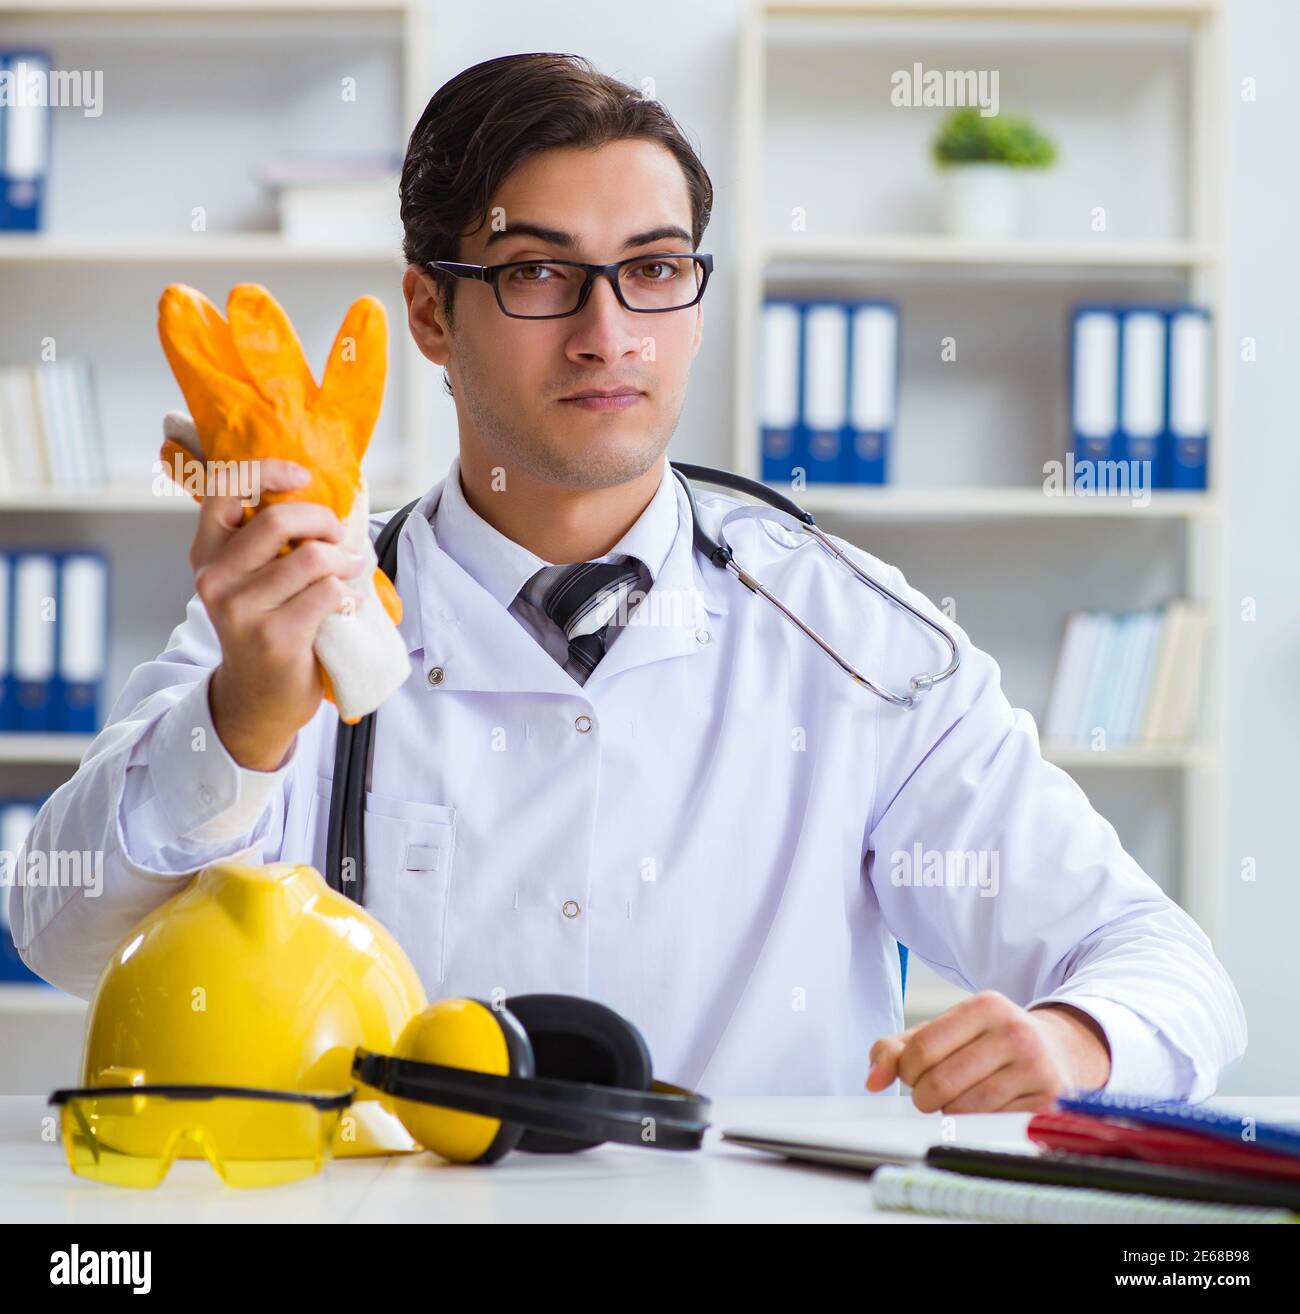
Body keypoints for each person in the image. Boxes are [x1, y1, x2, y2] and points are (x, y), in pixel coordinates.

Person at [11, 53, 1245, 1111]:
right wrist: (244, 721)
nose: (607, 333)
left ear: (695, 304)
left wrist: (1071, 1042)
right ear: (430, 313)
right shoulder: (291, 614)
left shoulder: (853, 638)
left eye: (652, 270)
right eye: (539, 274)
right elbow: (61, 936)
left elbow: (1162, 965)